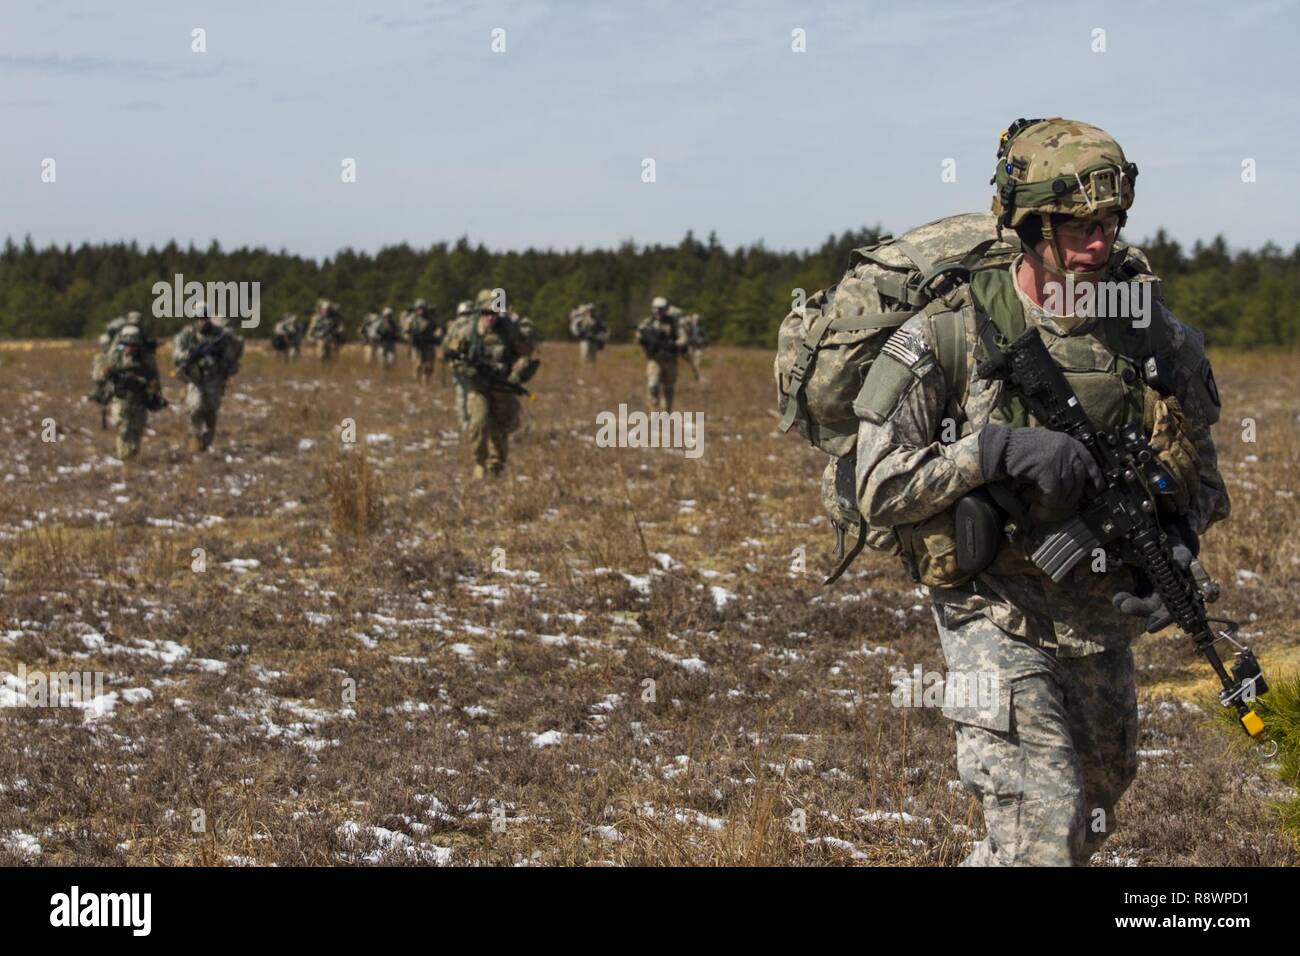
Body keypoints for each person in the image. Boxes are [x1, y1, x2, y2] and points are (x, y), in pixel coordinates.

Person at [853, 118, 1228, 866]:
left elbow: (1203, 475)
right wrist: (991, 451)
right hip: (993, 607)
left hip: (1098, 619)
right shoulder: (952, 330)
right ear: (1028, 223)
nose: (1100, 240)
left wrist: (1176, 546)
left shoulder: (1148, 332)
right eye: (1078, 224)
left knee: (1095, 798)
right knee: (1040, 832)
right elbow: (877, 484)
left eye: (1111, 221)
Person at [443, 289, 540, 479]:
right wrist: (465, 368)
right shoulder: (467, 331)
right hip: (477, 385)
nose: (490, 317)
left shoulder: (508, 329)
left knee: (501, 427)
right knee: (478, 423)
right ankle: (480, 462)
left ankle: (496, 465)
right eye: (486, 313)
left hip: (502, 384)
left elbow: (524, 355)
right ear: (479, 313)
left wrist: (515, 374)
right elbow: (451, 356)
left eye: (494, 313)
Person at [171, 303, 244, 453]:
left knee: (210, 412)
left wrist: (218, 354)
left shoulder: (220, 336)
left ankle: (206, 442)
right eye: (198, 318)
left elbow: (230, 356)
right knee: (195, 407)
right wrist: (192, 355)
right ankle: (195, 440)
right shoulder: (188, 335)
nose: (201, 321)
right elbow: (177, 355)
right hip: (195, 379)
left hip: (214, 379)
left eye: (204, 318)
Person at [89, 323, 167, 460]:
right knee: (124, 428)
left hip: (139, 400)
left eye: (134, 345)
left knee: (136, 432)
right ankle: (123, 458)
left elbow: (154, 379)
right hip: (120, 398)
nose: (130, 348)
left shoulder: (145, 359)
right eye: (128, 344)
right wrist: (105, 372)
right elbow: (98, 375)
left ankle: (130, 460)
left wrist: (152, 391)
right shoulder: (114, 357)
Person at [635, 296, 688, 411]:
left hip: (670, 359)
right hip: (654, 360)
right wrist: (646, 341)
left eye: (661, 309)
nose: (658, 312)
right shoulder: (648, 323)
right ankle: (653, 412)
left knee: (668, 388)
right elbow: (639, 335)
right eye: (656, 309)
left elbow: (683, 338)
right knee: (653, 386)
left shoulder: (674, 323)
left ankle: (666, 412)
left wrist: (673, 344)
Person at [406, 299, 442, 385]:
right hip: (417, 346)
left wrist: (437, 335)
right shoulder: (412, 319)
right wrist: (409, 337)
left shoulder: (431, 319)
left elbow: (438, 329)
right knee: (418, 364)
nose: (420, 310)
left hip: (428, 345)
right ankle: (417, 382)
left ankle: (425, 384)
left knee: (428, 366)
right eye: (418, 308)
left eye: (422, 308)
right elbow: (406, 331)